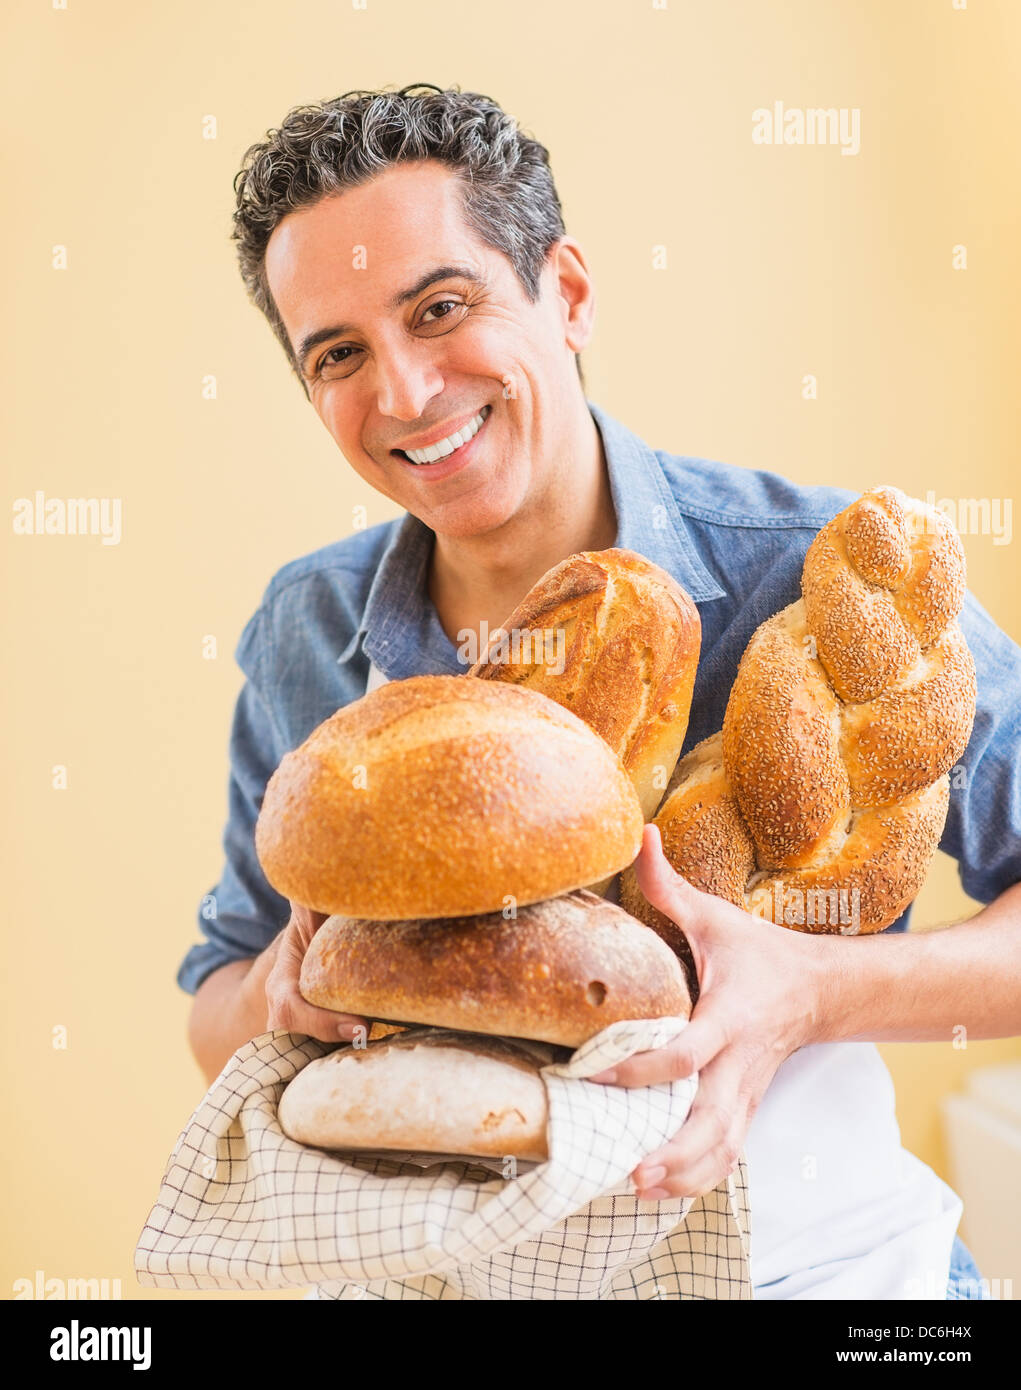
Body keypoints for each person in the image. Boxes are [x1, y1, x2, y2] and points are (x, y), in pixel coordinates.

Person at [180, 83, 1020, 1300]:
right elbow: (218, 997)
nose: (404, 393)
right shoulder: (306, 627)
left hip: (814, 1271)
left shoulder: (820, 574)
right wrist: (284, 989)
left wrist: (812, 992)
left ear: (566, 293)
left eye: (441, 308)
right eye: (340, 354)